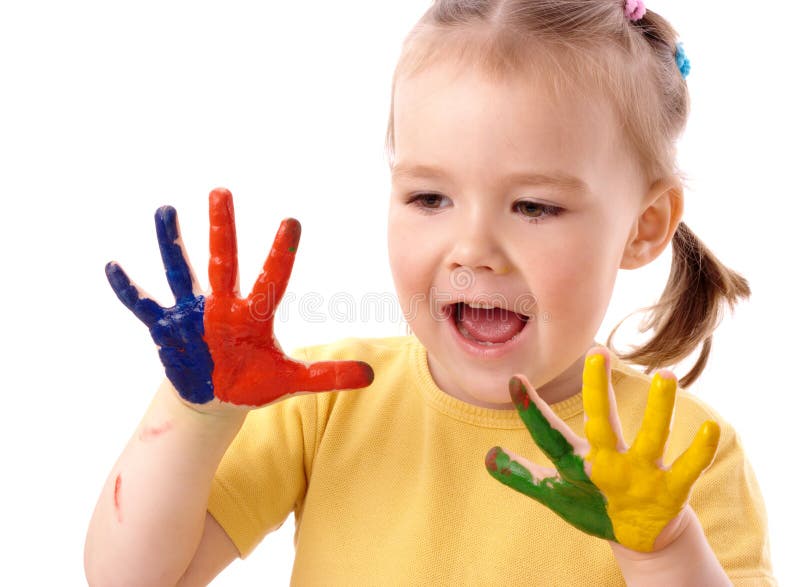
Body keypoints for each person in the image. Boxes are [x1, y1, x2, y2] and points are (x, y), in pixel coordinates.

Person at [84, 0, 775, 584]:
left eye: (534, 206)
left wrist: (663, 547)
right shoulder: (325, 403)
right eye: (429, 197)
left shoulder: (678, 459)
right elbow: (133, 577)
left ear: (643, 227)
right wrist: (198, 414)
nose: (473, 248)